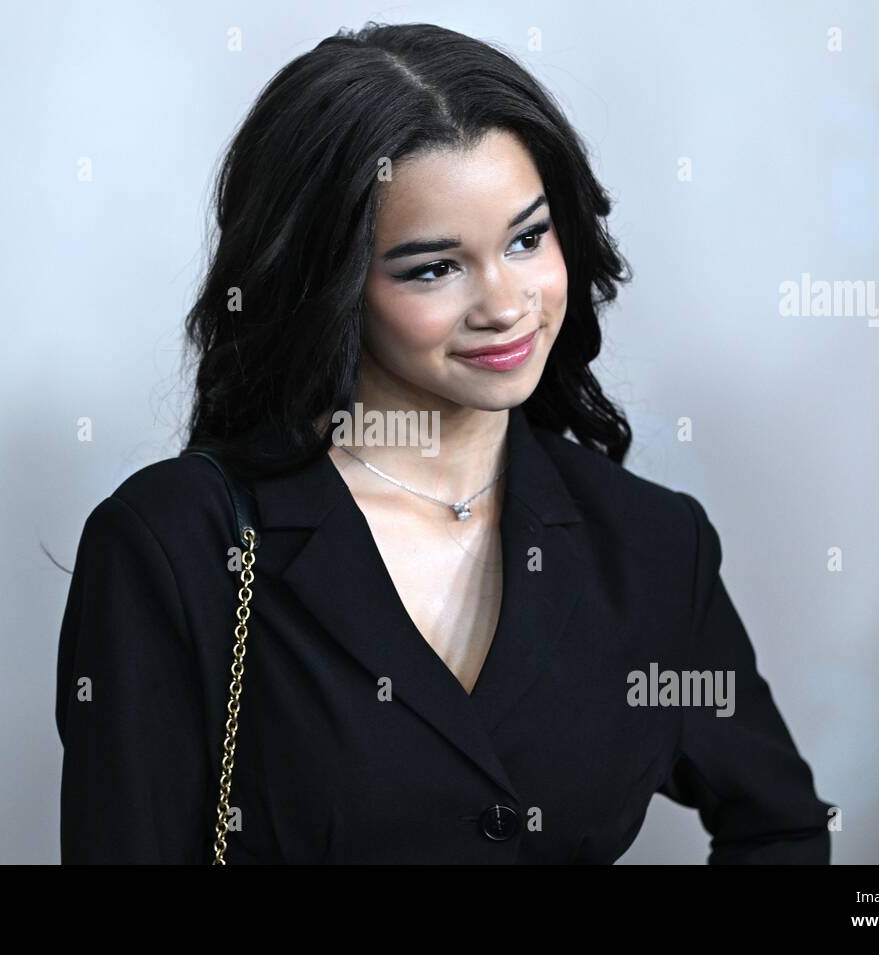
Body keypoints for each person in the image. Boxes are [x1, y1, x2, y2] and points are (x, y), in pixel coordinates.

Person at [55, 21, 833, 864]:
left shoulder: (649, 542)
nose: (506, 303)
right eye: (433, 267)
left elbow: (781, 826)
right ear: (329, 284)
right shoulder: (176, 544)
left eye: (528, 239)